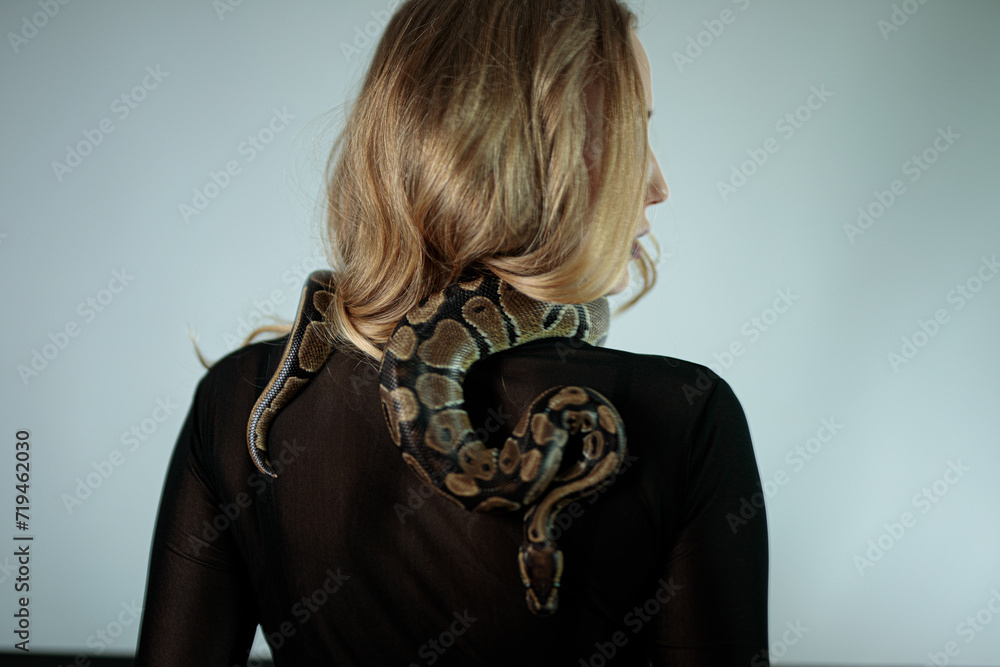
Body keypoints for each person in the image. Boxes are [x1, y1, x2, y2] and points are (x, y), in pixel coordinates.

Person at [134, 0, 769, 664]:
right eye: (631, 137)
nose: (659, 184)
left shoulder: (238, 399)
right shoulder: (683, 415)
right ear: (528, 155)